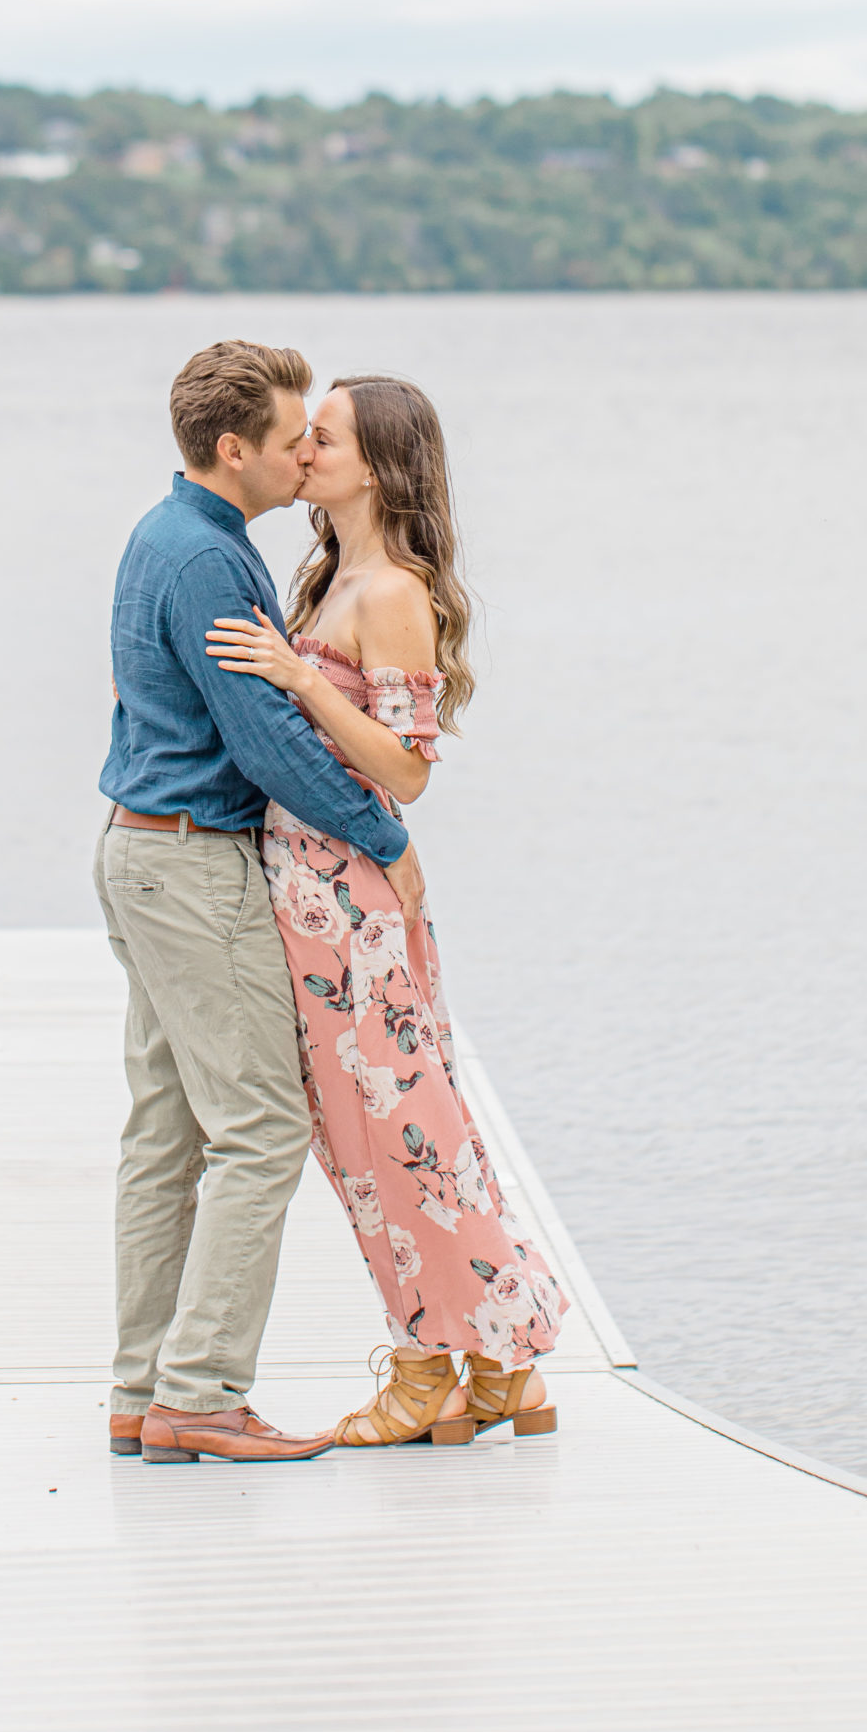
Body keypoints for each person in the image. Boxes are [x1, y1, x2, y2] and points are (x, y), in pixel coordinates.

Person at [206, 373, 566, 1448]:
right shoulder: (328, 578)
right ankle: (495, 1366)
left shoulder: (391, 592)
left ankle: (432, 1366)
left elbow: (405, 772)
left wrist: (301, 679)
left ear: (377, 466)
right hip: (308, 888)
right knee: (374, 1137)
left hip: (348, 898)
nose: (302, 451)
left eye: (323, 438)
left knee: (397, 1137)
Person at [95, 339, 429, 1466]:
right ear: (234, 449)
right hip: (192, 865)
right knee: (261, 1130)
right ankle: (198, 1393)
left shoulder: (170, 533)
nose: (306, 457)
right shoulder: (207, 559)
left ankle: (143, 1392)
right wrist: (388, 840)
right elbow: (265, 742)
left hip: (141, 849)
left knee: (167, 1132)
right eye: (293, 440)